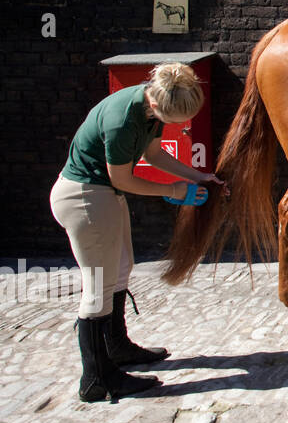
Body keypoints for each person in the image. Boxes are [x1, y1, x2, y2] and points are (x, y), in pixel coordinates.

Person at [50, 62, 223, 402]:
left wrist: (197, 176)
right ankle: (97, 379)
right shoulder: (121, 120)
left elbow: (155, 155)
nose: (179, 125)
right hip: (85, 197)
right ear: (157, 104)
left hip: (102, 196)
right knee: (98, 285)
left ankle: (117, 349)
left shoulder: (148, 109)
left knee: (120, 271)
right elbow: (123, 179)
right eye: (175, 120)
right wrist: (175, 191)